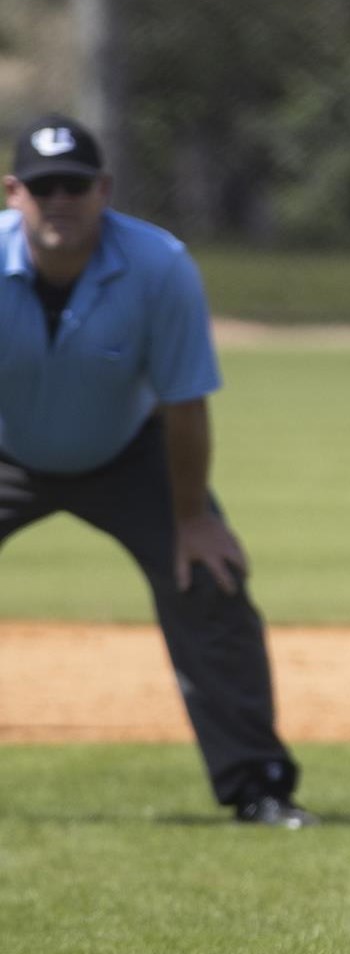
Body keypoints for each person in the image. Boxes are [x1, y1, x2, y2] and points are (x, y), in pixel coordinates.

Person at [0, 114, 314, 828]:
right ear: (14, 192)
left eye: (74, 186)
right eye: (43, 186)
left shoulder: (157, 265)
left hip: (129, 451)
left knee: (208, 576)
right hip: (7, 450)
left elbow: (184, 403)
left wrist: (193, 518)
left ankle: (258, 784)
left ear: (103, 190)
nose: (59, 201)